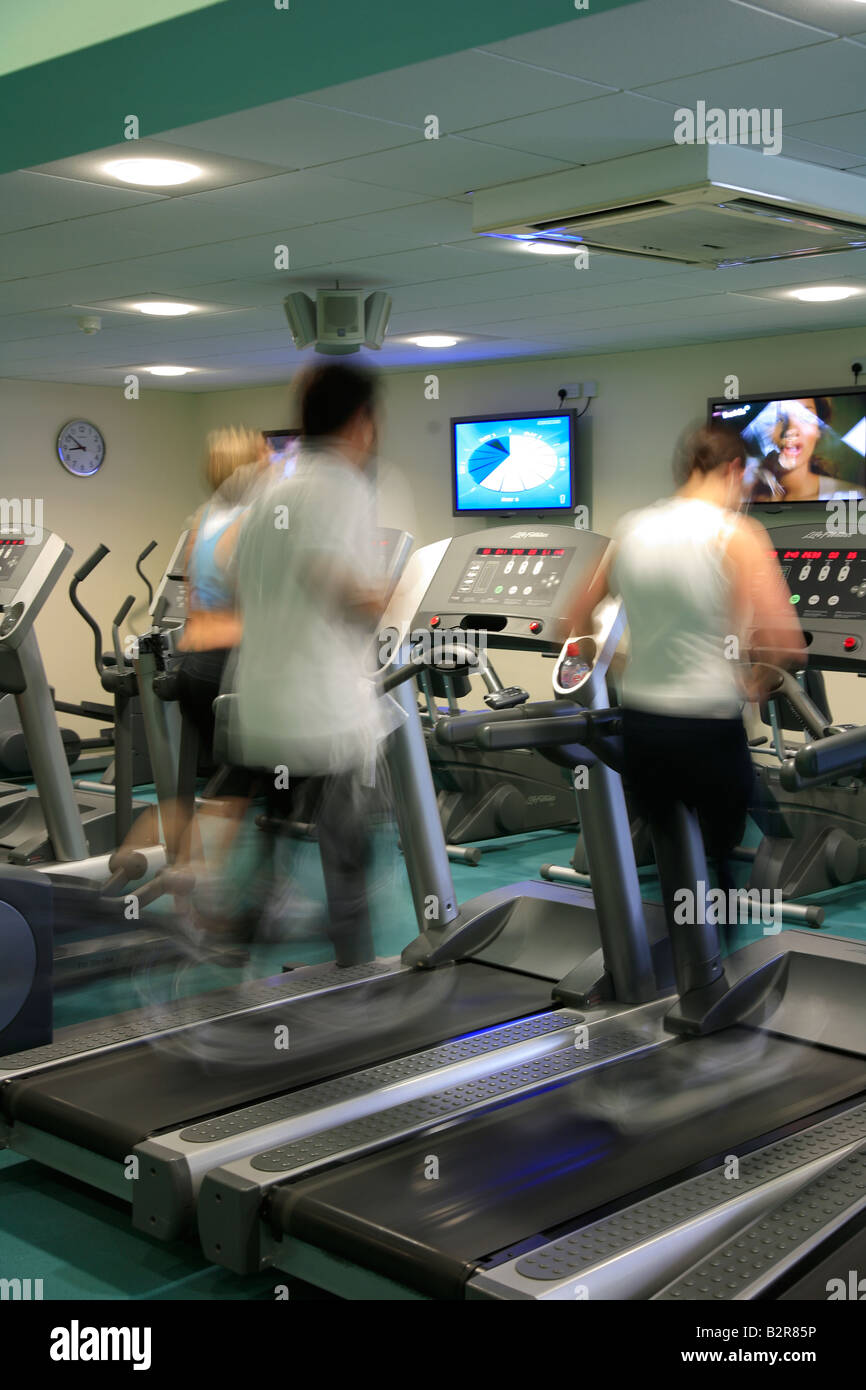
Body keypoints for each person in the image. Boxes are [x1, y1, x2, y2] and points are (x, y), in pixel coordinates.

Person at [564, 421, 806, 897]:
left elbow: (573, 624)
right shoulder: (737, 535)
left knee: (673, 854)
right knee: (720, 861)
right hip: (707, 728)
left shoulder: (632, 528)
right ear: (735, 469)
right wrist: (753, 681)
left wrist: (625, 665)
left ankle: (680, 958)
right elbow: (788, 643)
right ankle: (711, 961)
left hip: (643, 729)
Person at [230, 363, 389, 967]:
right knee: (353, 857)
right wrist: (391, 597)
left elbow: (253, 592)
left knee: (280, 840)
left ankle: (251, 924)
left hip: (262, 705)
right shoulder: (342, 486)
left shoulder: (273, 488)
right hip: (325, 713)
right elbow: (343, 590)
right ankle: (358, 978)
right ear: (361, 422)